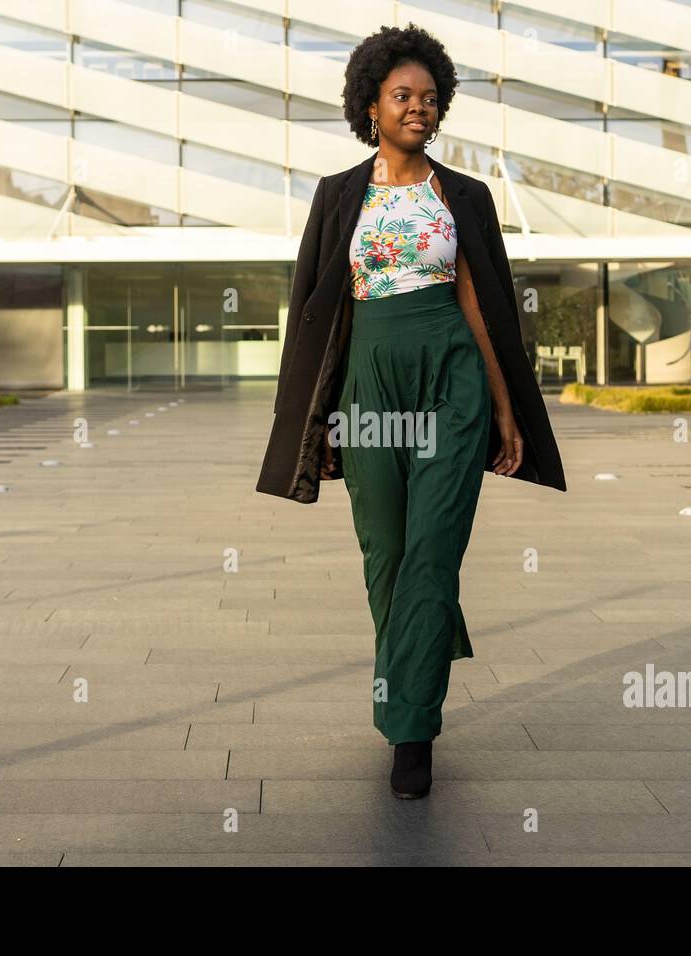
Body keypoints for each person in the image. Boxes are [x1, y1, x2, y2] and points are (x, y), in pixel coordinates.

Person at [256, 23, 567, 800]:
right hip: (370, 387)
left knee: (431, 552)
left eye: (430, 98)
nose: (418, 109)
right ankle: (415, 671)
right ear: (370, 106)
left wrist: (505, 412)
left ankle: (411, 728)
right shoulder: (338, 197)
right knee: (387, 555)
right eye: (403, 97)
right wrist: (316, 421)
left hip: (451, 381)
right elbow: (313, 316)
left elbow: (482, 305)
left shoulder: (462, 196)